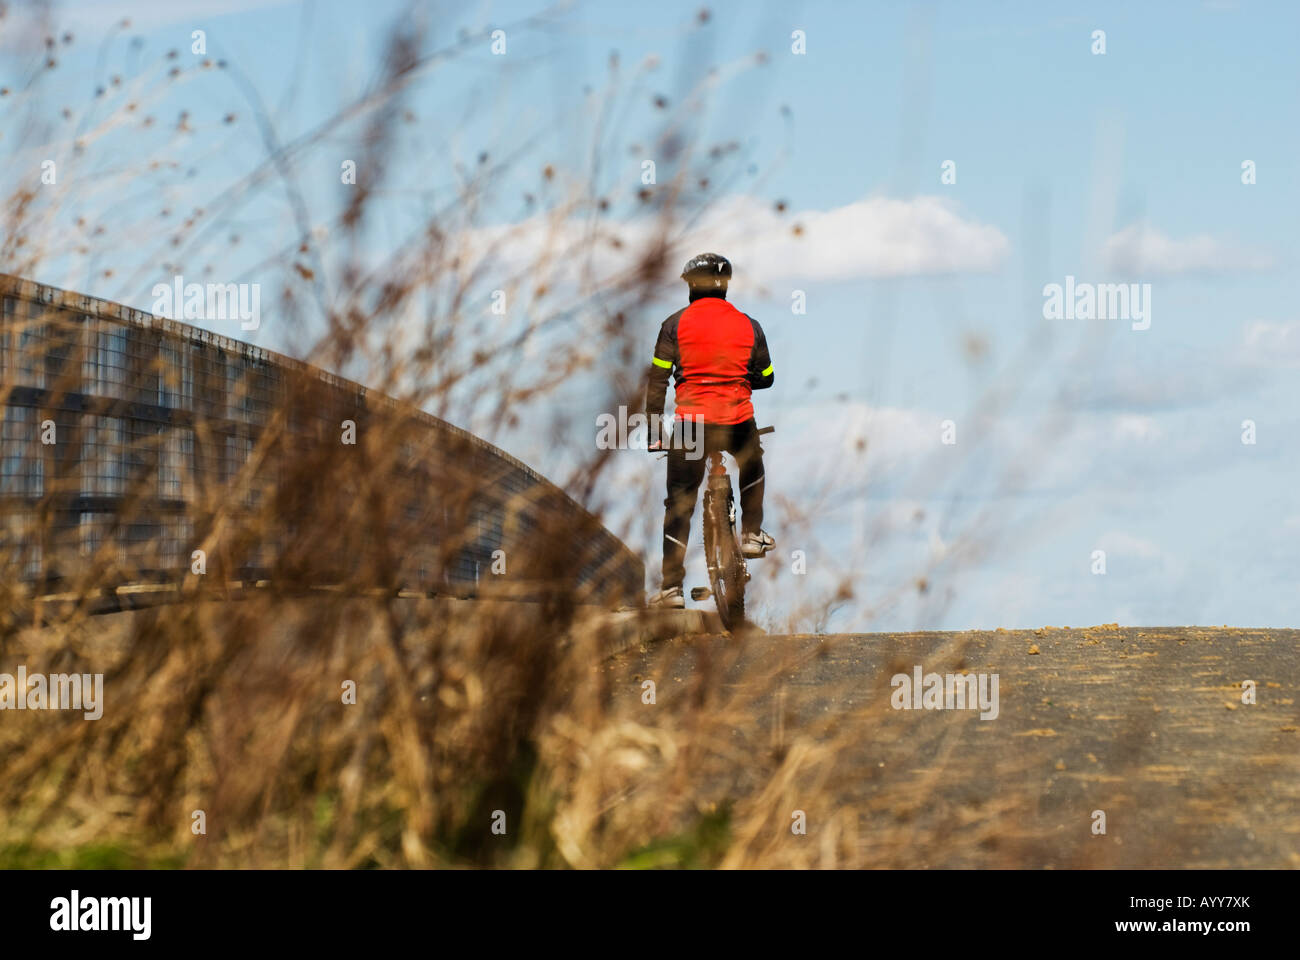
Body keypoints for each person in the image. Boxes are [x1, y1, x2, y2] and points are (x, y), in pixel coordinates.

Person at [644, 252, 776, 609]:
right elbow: (767, 377)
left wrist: (655, 429)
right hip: (736, 421)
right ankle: (750, 534)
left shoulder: (673, 325)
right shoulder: (749, 325)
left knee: (679, 502)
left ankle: (671, 590)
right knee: (753, 462)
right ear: (725, 287)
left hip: (690, 426)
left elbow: (657, 380)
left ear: (691, 287)